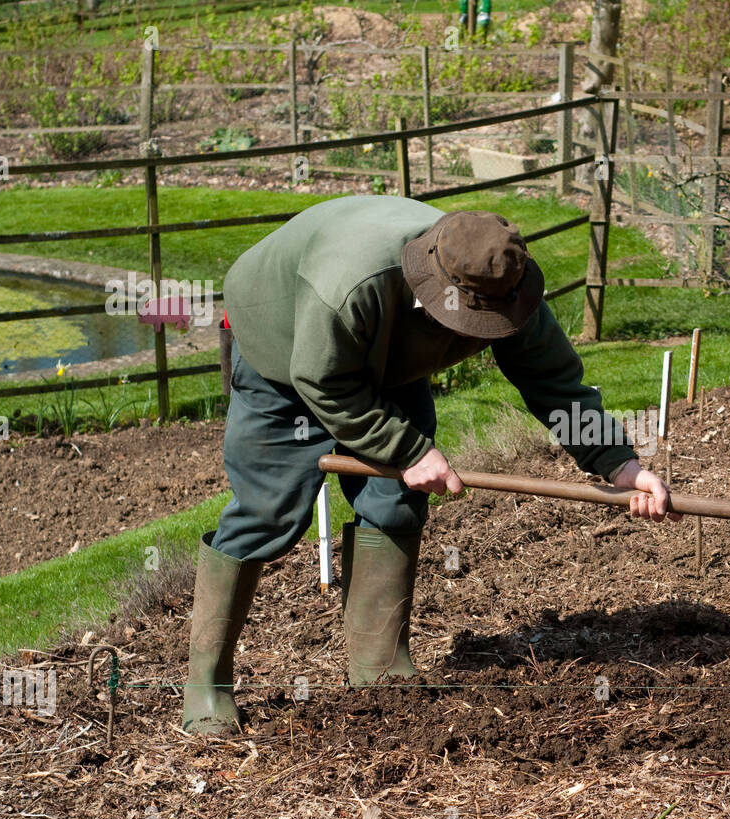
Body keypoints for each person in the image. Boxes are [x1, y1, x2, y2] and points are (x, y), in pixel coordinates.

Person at [183, 196, 679, 735]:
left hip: (383, 361)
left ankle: (379, 672)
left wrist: (620, 464)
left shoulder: (503, 283)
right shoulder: (352, 286)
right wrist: (410, 451)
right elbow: (321, 380)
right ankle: (206, 684)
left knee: (396, 502)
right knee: (268, 510)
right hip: (282, 352)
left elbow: (554, 382)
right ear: (433, 291)